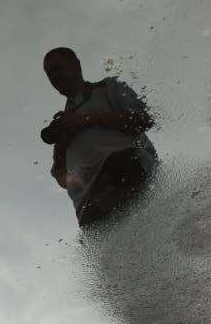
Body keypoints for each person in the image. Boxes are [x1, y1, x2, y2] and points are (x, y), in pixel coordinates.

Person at [41, 47, 157, 227]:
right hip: (90, 206)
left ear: (76, 65)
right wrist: (61, 149)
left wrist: (86, 121)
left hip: (127, 170)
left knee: (119, 165)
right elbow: (62, 180)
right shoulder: (63, 125)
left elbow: (143, 120)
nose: (54, 75)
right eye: (49, 72)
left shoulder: (109, 87)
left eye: (57, 67)